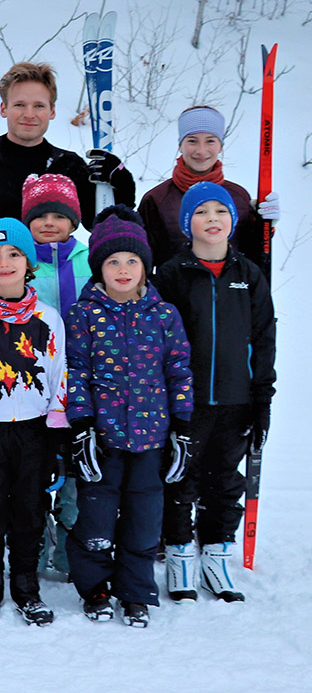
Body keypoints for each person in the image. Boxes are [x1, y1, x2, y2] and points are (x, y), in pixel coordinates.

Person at [64, 206, 193, 628]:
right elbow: (76, 372)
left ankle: (136, 592)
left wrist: (182, 429)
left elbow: (178, 372)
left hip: (152, 440)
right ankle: (96, 588)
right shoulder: (83, 315)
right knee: (96, 520)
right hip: (102, 439)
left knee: (143, 523)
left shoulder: (164, 315)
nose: (123, 269)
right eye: (113, 261)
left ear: (145, 267)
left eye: (132, 261)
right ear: (99, 268)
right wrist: (81, 427)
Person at [152, 181, 276, 603]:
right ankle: (180, 552)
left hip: (237, 399)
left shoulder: (249, 274)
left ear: (232, 220)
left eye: (220, 212)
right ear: (188, 224)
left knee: (225, 481)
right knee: (180, 477)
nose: (213, 220)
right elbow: (160, 342)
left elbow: (263, 339)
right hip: (187, 401)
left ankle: (218, 551)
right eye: (202, 213)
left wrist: (263, 399)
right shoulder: (171, 275)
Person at [0, 217, 69, 626]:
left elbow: (60, 376)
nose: (4, 263)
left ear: (28, 263)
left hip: (33, 431)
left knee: (30, 512)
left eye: (13, 254)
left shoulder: (48, 318)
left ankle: (27, 587)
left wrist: (58, 440)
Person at [0, 61, 135, 238]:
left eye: (39, 106)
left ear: (52, 111)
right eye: (19, 105)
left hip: (54, 270)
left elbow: (105, 228)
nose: (29, 114)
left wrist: (121, 186)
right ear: (4, 108)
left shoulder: (68, 167)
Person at [21, 173, 91, 579]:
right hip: (33, 384)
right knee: (36, 470)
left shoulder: (88, 259)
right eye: (40, 215)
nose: (49, 222)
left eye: (59, 215)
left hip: (82, 384)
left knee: (75, 476)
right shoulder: (21, 261)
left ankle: (68, 553)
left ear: (73, 220)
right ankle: (32, 546)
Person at [137, 105, 278, 270]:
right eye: (192, 141)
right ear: (180, 145)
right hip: (172, 294)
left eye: (210, 141)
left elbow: (251, 261)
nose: (201, 150)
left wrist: (263, 226)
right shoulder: (157, 200)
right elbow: (141, 263)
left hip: (228, 294)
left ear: (220, 146)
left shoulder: (238, 197)